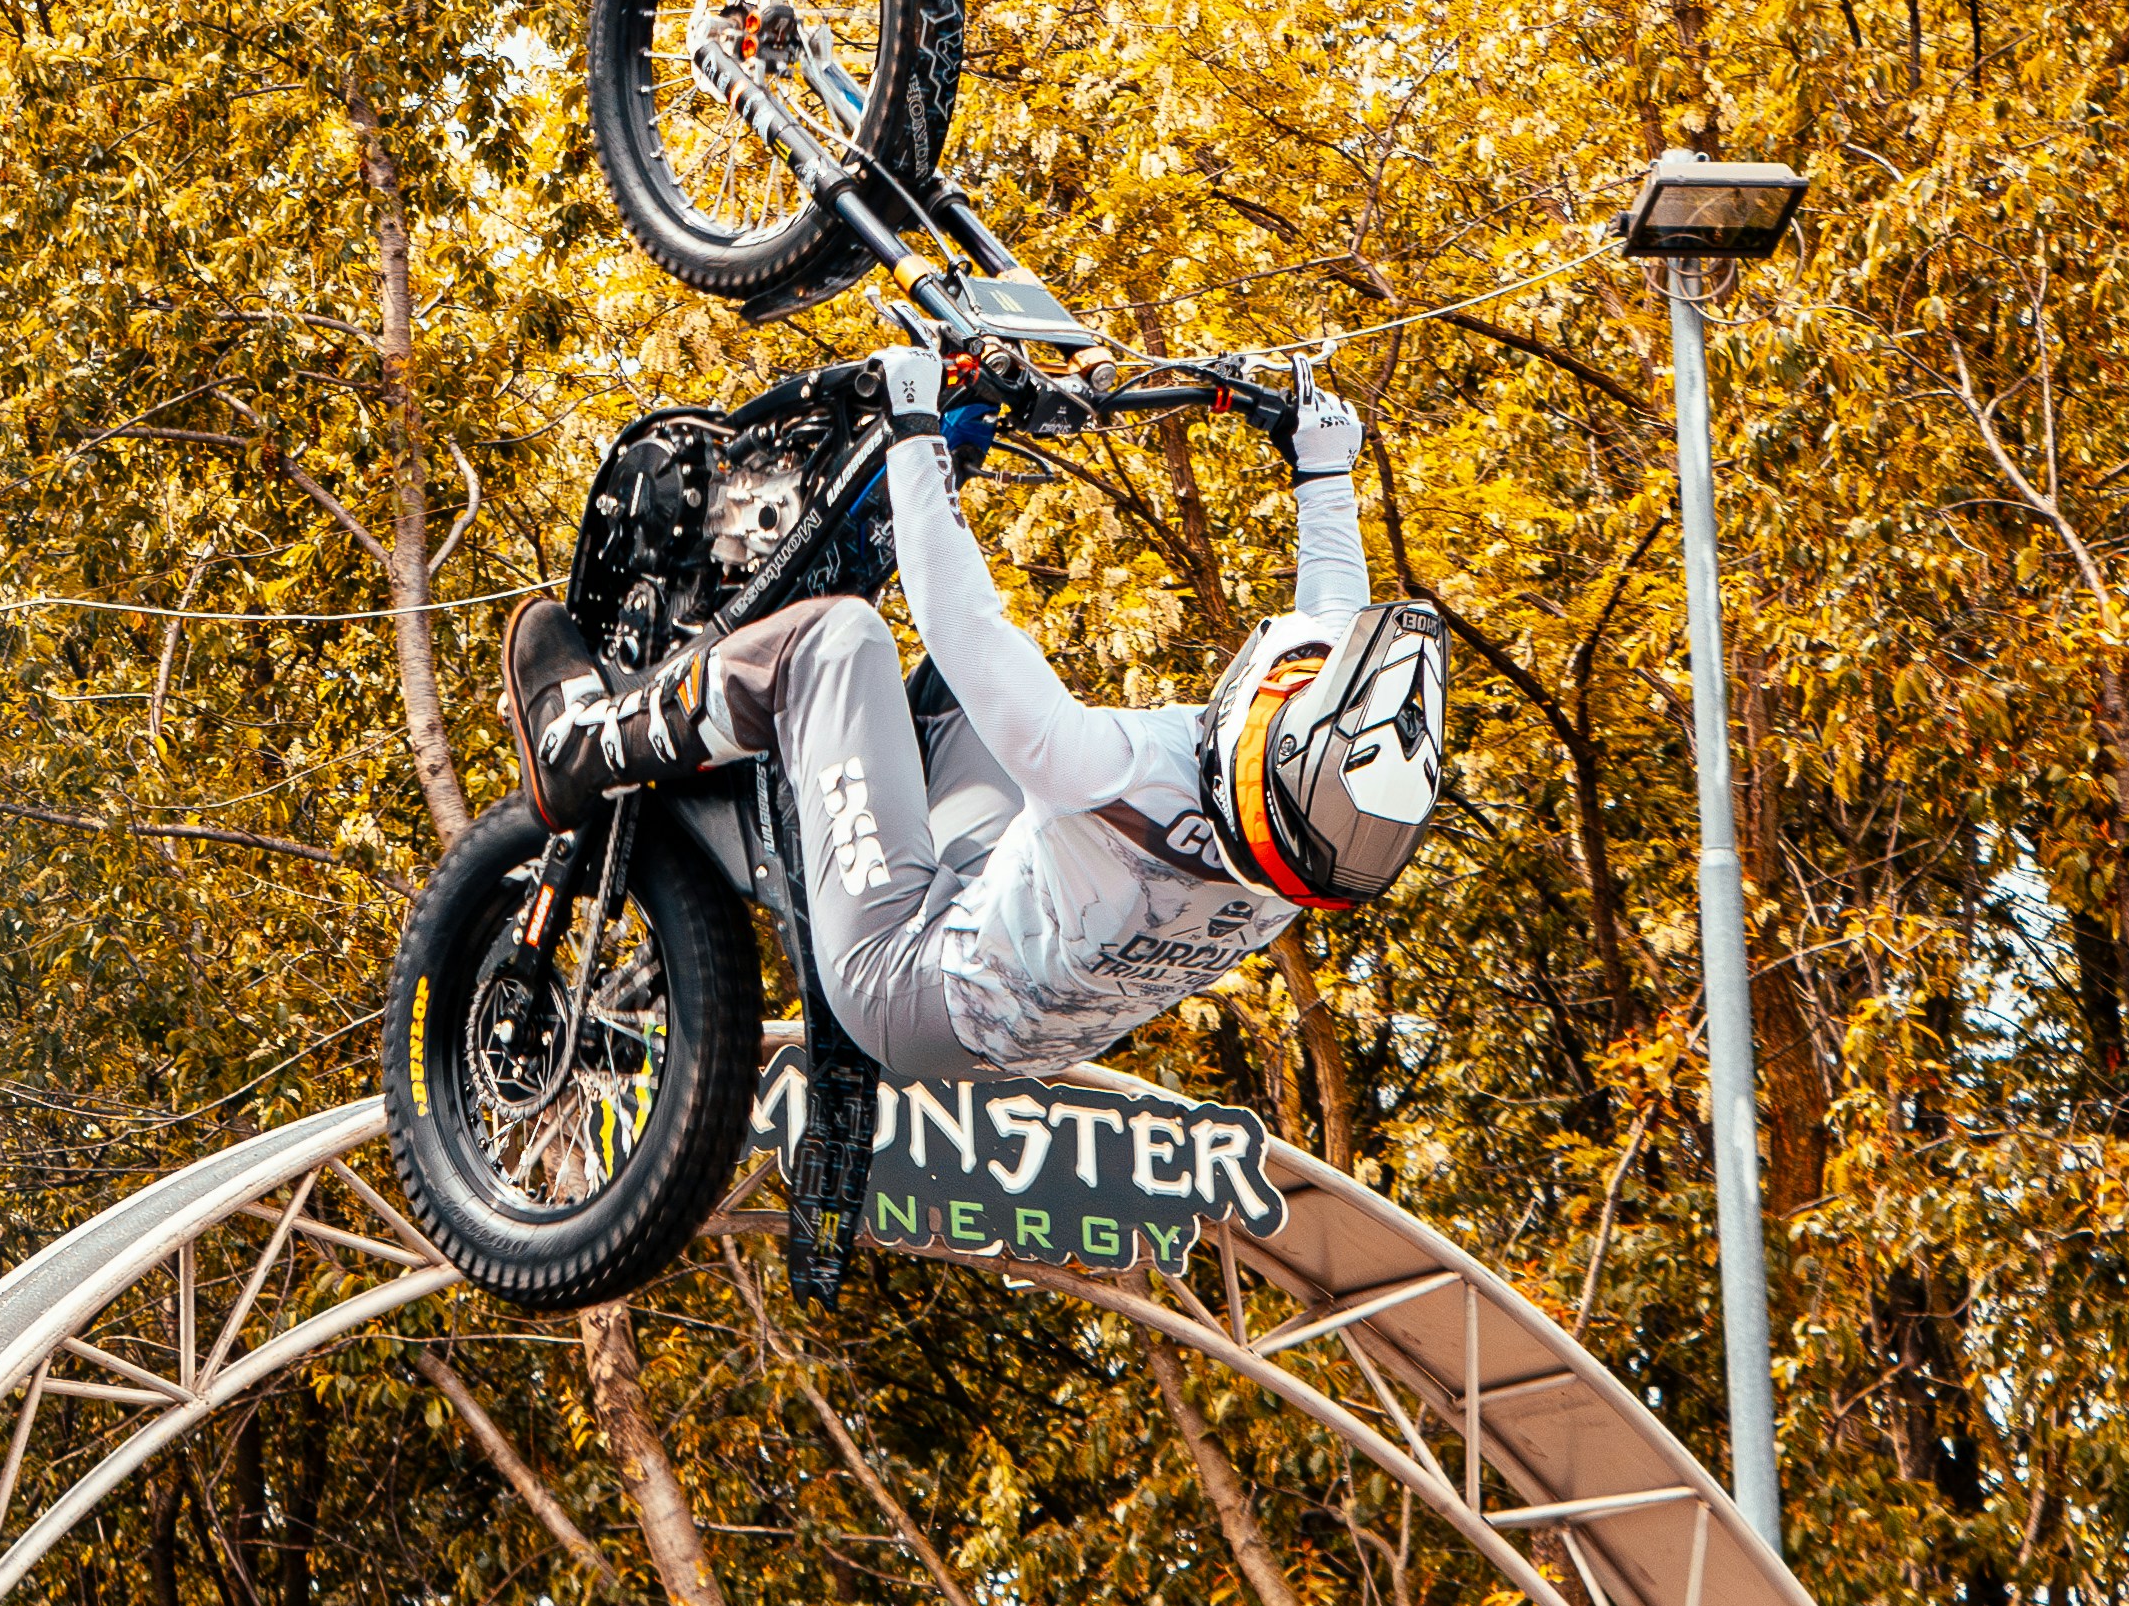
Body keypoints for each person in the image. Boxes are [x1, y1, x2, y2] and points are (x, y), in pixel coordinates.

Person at [505, 343, 1448, 1081]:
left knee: (840, 644)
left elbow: (964, 627)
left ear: (1267, 739)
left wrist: (915, 436)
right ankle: (789, 783)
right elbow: (1333, 623)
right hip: (1007, 983)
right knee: (961, 700)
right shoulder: (1308, 840)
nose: (1296, 658)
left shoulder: (1138, 777)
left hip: (904, 974)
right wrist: (1323, 474)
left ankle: (580, 742)